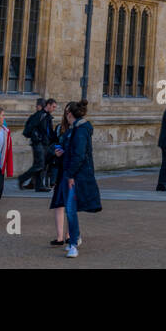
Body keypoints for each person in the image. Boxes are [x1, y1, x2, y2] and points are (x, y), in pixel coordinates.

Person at [54, 101, 101, 258]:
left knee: (71, 210)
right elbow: (68, 148)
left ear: (69, 114)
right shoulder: (74, 130)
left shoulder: (80, 131)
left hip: (75, 176)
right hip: (70, 173)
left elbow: (79, 155)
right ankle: (75, 238)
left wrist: (71, 175)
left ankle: (73, 243)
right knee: (70, 209)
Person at [49, 104, 76, 245]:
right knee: (59, 203)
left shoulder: (78, 129)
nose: (68, 115)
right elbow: (51, 143)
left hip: (71, 170)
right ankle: (60, 237)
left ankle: (69, 234)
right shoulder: (60, 128)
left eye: (70, 112)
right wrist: (55, 151)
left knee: (70, 203)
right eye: (66, 112)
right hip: (60, 169)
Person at [18, 98, 56, 191]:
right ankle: (22, 178)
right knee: (39, 165)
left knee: (40, 164)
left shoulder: (47, 116)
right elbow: (31, 128)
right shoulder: (40, 115)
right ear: (48, 105)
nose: (54, 109)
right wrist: (37, 138)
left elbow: (49, 131)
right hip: (38, 143)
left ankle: (39, 186)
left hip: (45, 144)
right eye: (53, 107)